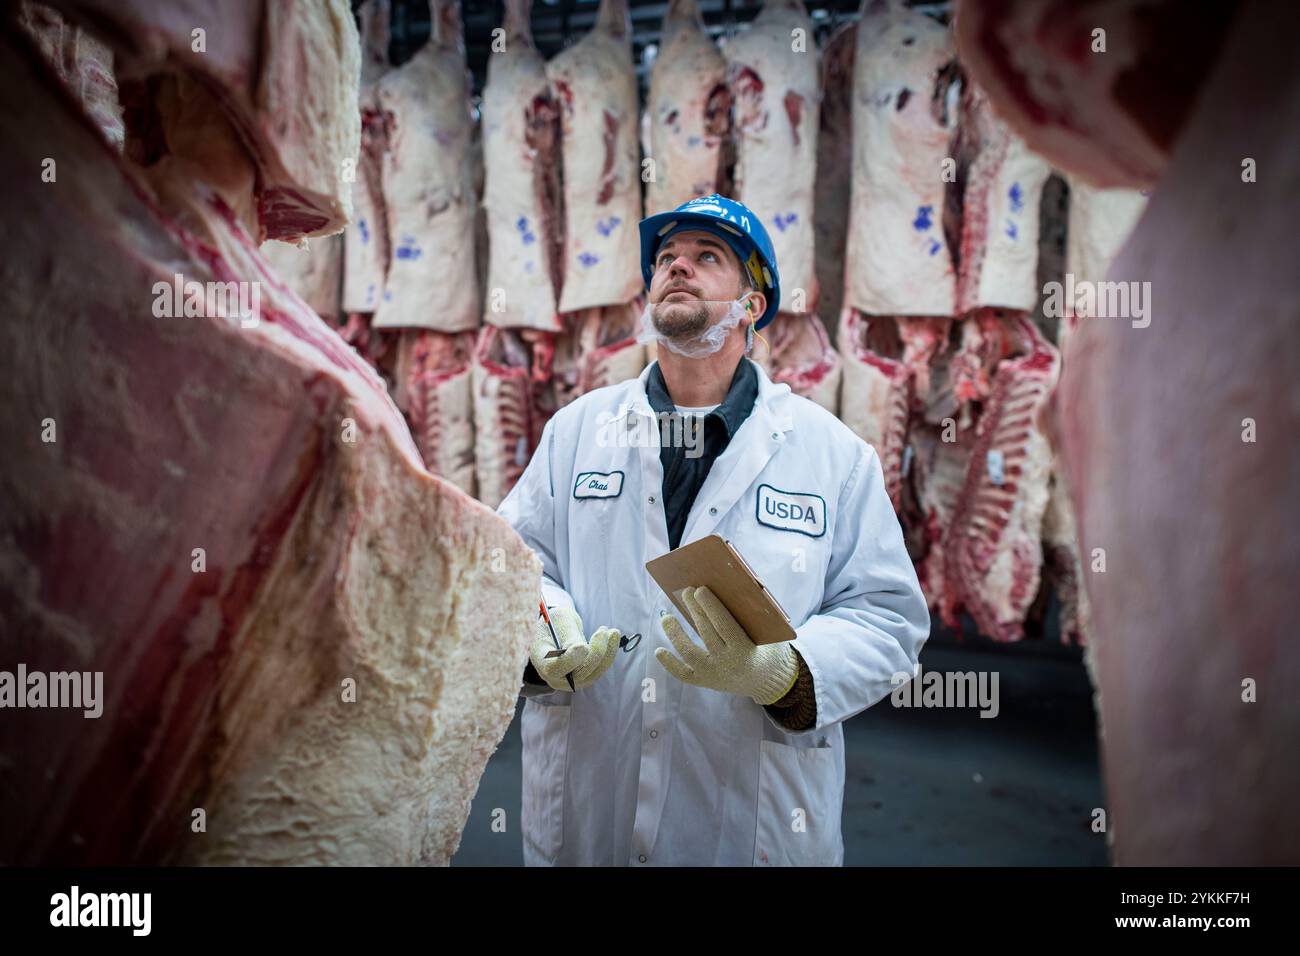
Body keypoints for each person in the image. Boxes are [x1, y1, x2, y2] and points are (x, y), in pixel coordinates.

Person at [497, 194, 929, 866]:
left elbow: (888, 620)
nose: (677, 268)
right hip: (589, 808)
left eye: (707, 257)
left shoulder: (832, 455)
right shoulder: (577, 432)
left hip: (750, 822)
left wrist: (786, 673)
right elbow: (513, 567)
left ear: (752, 306)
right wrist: (544, 630)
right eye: (665, 259)